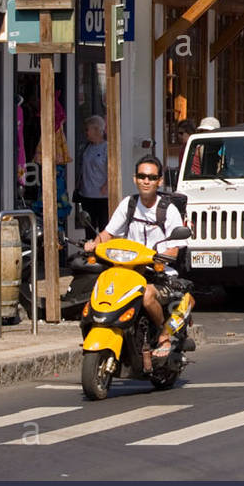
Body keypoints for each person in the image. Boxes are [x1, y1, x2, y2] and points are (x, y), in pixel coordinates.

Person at [85, 155, 186, 363]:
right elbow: (108, 233)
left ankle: (164, 335)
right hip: (129, 272)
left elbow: (176, 247)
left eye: (151, 177)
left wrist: (164, 255)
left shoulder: (168, 209)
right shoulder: (128, 204)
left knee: (147, 295)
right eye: (142, 176)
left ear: (159, 181)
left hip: (160, 275)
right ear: (135, 179)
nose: (146, 181)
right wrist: (94, 244)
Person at [77, 115, 109, 231]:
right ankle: (90, 249)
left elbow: (112, 169)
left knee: (103, 228)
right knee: (89, 229)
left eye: (87, 129)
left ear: (96, 129)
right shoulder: (86, 147)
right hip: (86, 195)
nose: (86, 132)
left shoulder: (107, 148)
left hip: (102, 196)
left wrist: (107, 185)